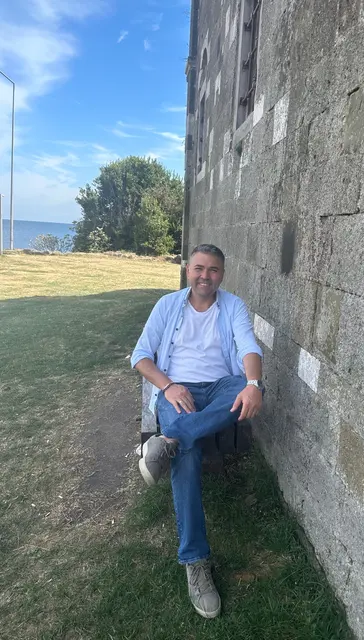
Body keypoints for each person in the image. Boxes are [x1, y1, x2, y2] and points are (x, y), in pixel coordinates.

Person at [131, 243, 264, 619]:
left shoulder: (233, 306)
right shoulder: (167, 305)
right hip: (178, 390)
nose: (206, 276)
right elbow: (140, 356)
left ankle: (169, 440)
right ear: (187, 269)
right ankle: (196, 561)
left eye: (214, 270)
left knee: (249, 387)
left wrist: (253, 383)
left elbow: (249, 347)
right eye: (199, 268)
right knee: (187, 458)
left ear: (223, 274)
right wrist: (169, 386)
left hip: (220, 387)